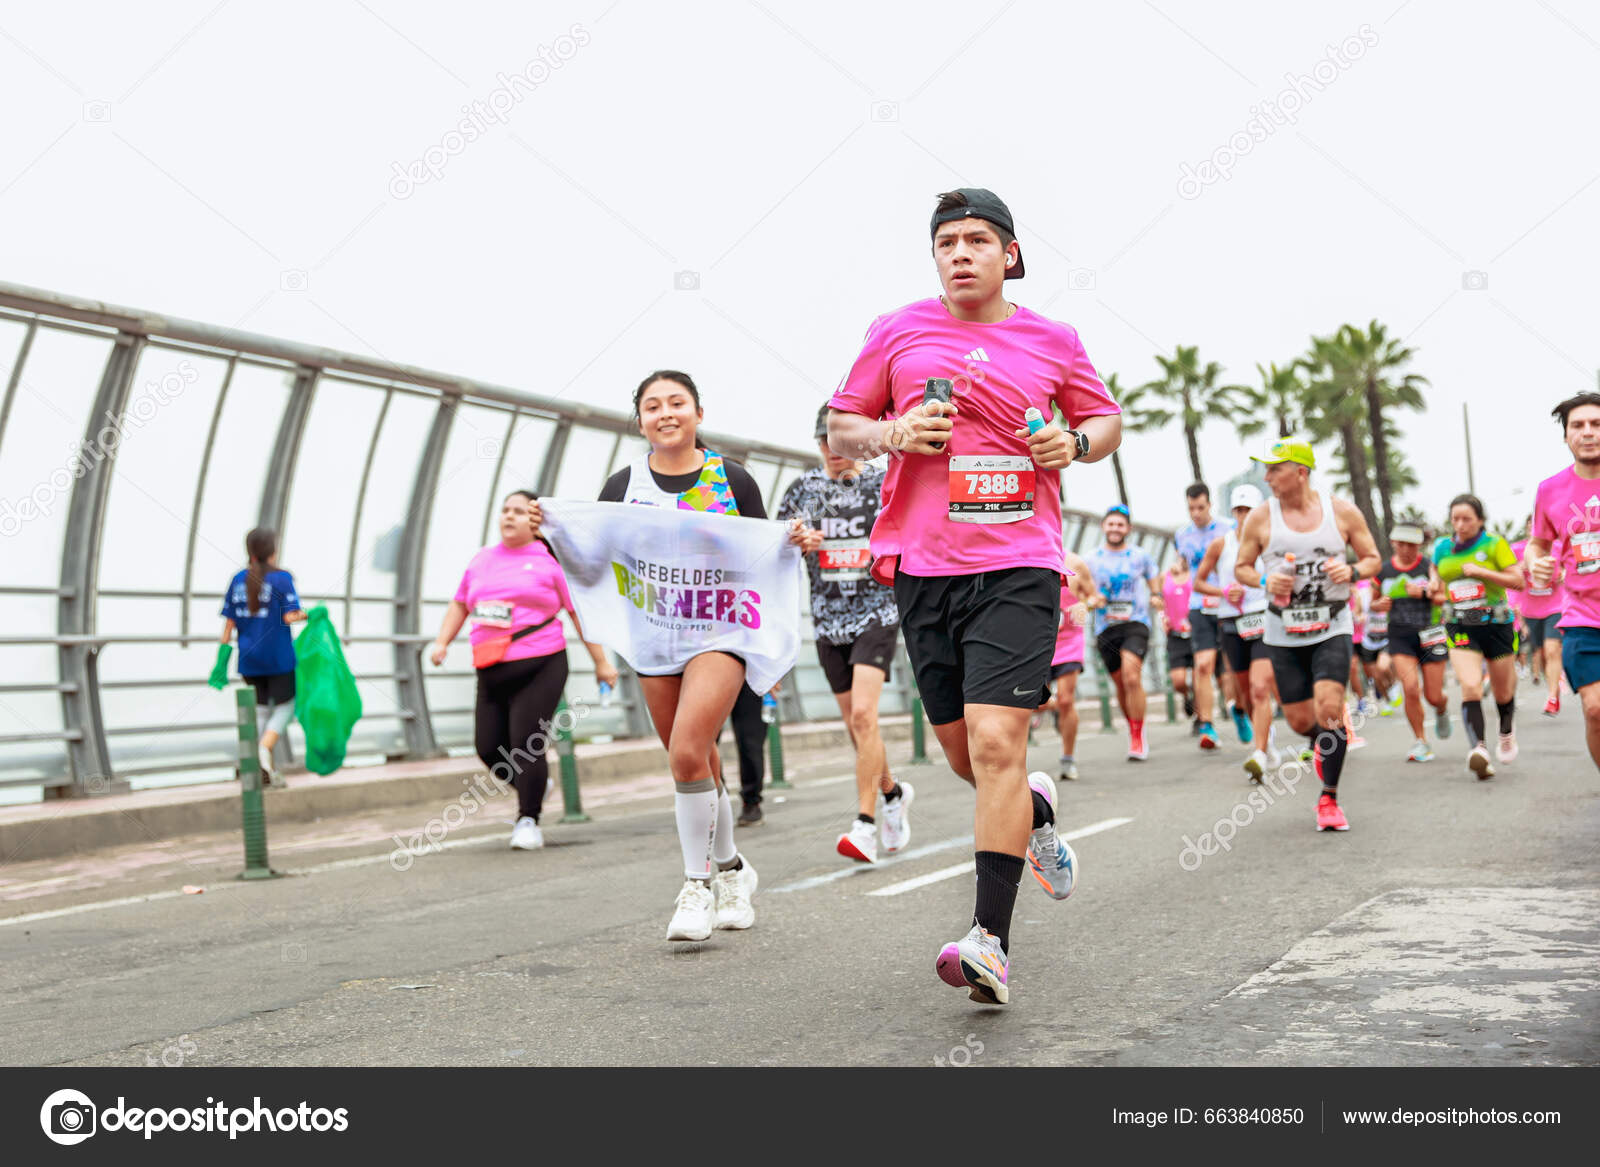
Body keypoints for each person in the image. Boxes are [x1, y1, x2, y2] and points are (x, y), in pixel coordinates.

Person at [826, 187, 1122, 1005]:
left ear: (1010, 255)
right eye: (947, 241)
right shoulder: (897, 330)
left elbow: (1104, 420)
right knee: (967, 756)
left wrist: (1075, 441)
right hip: (924, 569)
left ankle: (989, 938)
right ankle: (1034, 811)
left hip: (1020, 562)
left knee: (996, 741)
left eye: (979, 240)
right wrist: (889, 433)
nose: (961, 253)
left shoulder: (1052, 339)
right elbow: (840, 424)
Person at [541, 370, 792, 941]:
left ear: (698, 412)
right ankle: (732, 870)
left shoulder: (731, 479)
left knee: (685, 755)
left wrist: (790, 544)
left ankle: (695, 887)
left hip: (721, 633)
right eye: (652, 406)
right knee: (699, 763)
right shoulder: (624, 485)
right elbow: (592, 562)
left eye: (676, 402)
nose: (665, 413)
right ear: (640, 422)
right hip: (654, 637)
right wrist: (549, 532)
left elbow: (761, 552)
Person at [431, 491, 617, 850]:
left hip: (541, 662)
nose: (509, 516)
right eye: (505, 510)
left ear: (536, 523)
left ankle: (527, 820)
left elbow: (579, 613)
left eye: (519, 511)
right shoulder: (481, 560)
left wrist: (601, 662)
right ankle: (534, 786)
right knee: (487, 747)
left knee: (525, 745)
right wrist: (442, 642)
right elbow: (459, 604)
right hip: (490, 664)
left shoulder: (549, 562)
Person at [777, 403, 910, 863]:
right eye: (824, 443)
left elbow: (909, 531)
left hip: (876, 611)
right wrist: (796, 540)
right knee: (858, 725)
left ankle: (865, 825)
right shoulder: (803, 489)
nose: (833, 452)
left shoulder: (881, 483)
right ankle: (892, 793)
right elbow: (775, 545)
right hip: (827, 619)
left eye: (840, 443)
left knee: (862, 717)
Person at [1235, 437, 1380, 832]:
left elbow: (1372, 558)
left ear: (1300, 472)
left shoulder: (1342, 513)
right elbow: (1242, 568)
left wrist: (1352, 571)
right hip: (1283, 629)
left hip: (1332, 625)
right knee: (1302, 722)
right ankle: (1326, 742)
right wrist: (1266, 579)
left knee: (1330, 710)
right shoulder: (1261, 518)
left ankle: (1329, 799)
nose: (1266, 477)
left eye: (1274, 469)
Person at [1529, 391, 1600, 771]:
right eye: (1579, 425)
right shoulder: (1550, 490)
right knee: (1595, 710)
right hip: (1583, 617)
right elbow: (1538, 543)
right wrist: (1538, 563)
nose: (1588, 432)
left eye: (1596, 424)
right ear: (1566, 436)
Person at [1433, 494, 1523, 778]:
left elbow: (1518, 580)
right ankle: (1479, 750)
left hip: (1496, 624)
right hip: (1460, 625)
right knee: (1470, 686)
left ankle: (1506, 732)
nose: (1460, 525)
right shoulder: (1442, 548)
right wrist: (1433, 590)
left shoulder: (1494, 544)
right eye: (1455, 519)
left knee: (1503, 691)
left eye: (1467, 519)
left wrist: (1482, 572)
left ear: (1480, 520)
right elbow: (1436, 581)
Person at [1195, 483, 1281, 781]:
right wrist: (1223, 591)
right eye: (1239, 510)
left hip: (1264, 619)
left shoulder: (1271, 542)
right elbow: (1199, 582)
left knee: (1260, 688)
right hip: (1231, 623)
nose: (1244, 516)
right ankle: (1266, 742)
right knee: (1244, 693)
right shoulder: (1222, 544)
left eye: (1249, 510)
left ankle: (1258, 752)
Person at [217, 528, 305, 786]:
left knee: (261, 710)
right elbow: (291, 615)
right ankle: (262, 750)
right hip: (278, 658)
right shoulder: (282, 579)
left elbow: (229, 623)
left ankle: (258, 766)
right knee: (287, 706)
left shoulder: (238, 579)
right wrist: (312, 614)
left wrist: (221, 658)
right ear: (272, 551)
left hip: (249, 660)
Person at [1089, 505, 1164, 761]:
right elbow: (1079, 588)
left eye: (1120, 525)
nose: (1115, 529)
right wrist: (1091, 598)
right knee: (1121, 684)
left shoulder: (1139, 556)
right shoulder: (1092, 558)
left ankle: (1138, 736)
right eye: (1111, 524)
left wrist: (1155, 594)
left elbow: (1154, 575)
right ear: (1103, 527)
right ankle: (1133, 726)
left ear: (1128, 529)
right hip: (1106, 627)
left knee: (1132, 677)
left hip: (1136, 622)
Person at [1372, 524, 1452, 762]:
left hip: (1431, 633)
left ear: (1419, 545)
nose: (1406, 549)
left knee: (1434, 695)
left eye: (1411, 545)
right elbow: (1372, 602)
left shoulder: (1430, 567)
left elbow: (1443, 597)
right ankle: (1421, 741)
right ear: (1393, 543)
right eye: (1401, 543)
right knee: (1410, 689)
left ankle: (1441, 708)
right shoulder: (1383, 571)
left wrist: (1423, 594)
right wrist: (1379, 605)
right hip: (1400, 636)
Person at [1174, 483, 1244, 748]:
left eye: (1201, 507)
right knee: (1202, 664)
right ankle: (1207, 726)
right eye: (1191, 508)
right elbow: (1183, 566)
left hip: (1228, 604)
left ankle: (1238, 709)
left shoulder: (1228, 528)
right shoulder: (1182, 535)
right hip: (1198, 604)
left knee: (1233, 670)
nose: (1196, 513)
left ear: (1210, 505)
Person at [1050, 549, 1096, 781]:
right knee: (1029, 704)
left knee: (1066, 700)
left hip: (1070, 643)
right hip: (1038, 643)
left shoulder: (1076, 562)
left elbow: (1095, 597)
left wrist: (1084, 606)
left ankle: (1067, 760)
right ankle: (1052, 709)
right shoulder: (1027, 556)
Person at [1513, 530, 1565, 716]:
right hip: (1530, 611)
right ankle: (1552, 682)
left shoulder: (1559, 547)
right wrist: (1521, 567)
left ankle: (1552, 698)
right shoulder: (1518, 550)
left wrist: (1563, 573)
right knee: (1541, 654)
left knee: (1552, 650)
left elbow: (1572, 566)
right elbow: (1510, 578)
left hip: (1555, 608)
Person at [723, 684, 769, 827]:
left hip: (749, 675)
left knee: (751, 743)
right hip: (702, 672)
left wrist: (773, 674)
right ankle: (714, 801)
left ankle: (751, 802)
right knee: (702, 743)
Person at [1159, 555, 1196, 730]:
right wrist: (1162, 617)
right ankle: (1187, 696)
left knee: (1199, 677)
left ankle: (1202, 719)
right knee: (1178, 680)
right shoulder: (1165, 576)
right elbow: (1158, 601)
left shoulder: (1198, 573)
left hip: (1197, 631)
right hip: (1175, 634)